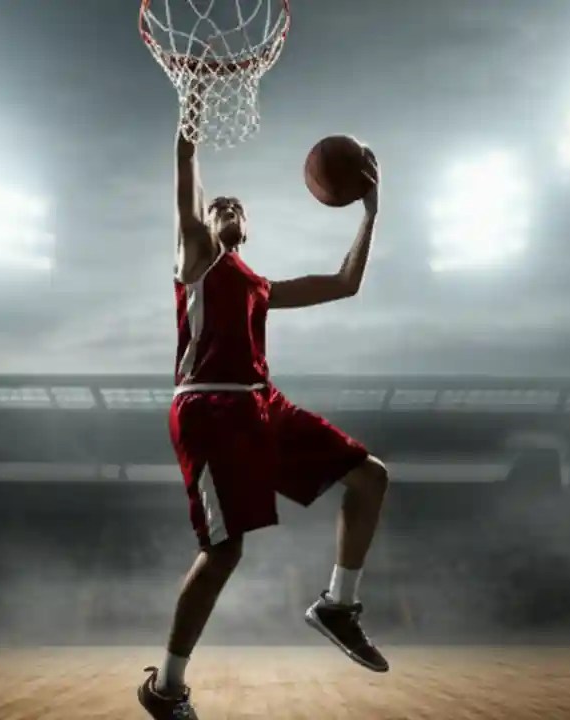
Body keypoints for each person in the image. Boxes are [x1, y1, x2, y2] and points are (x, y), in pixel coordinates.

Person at [138, 98, 390, 720]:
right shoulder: (195, 258)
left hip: (261, 404)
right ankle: (165, 690)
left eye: (237, 207)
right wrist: (191, 109)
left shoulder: (258, 286)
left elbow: (345, 283)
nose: (225, 208)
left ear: (248, 228)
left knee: (370, 476)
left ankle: (338, 604)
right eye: (217, 204)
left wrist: (371, 213)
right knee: (225, 551)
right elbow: (186, 164)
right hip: (209, 406)